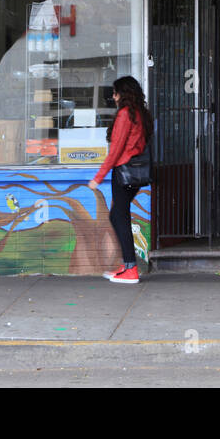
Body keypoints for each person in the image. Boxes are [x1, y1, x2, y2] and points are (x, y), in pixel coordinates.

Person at [89, 76, 151, 284]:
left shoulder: (125, 115)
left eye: (115, 93)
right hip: (135, 171)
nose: (113, 97)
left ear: (122, 94)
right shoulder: (140, 113)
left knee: (118, 216)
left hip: (123, 172)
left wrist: (98, 177)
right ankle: (127, 266)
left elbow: (115, 151)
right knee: (118, 215)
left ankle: (130, 269)